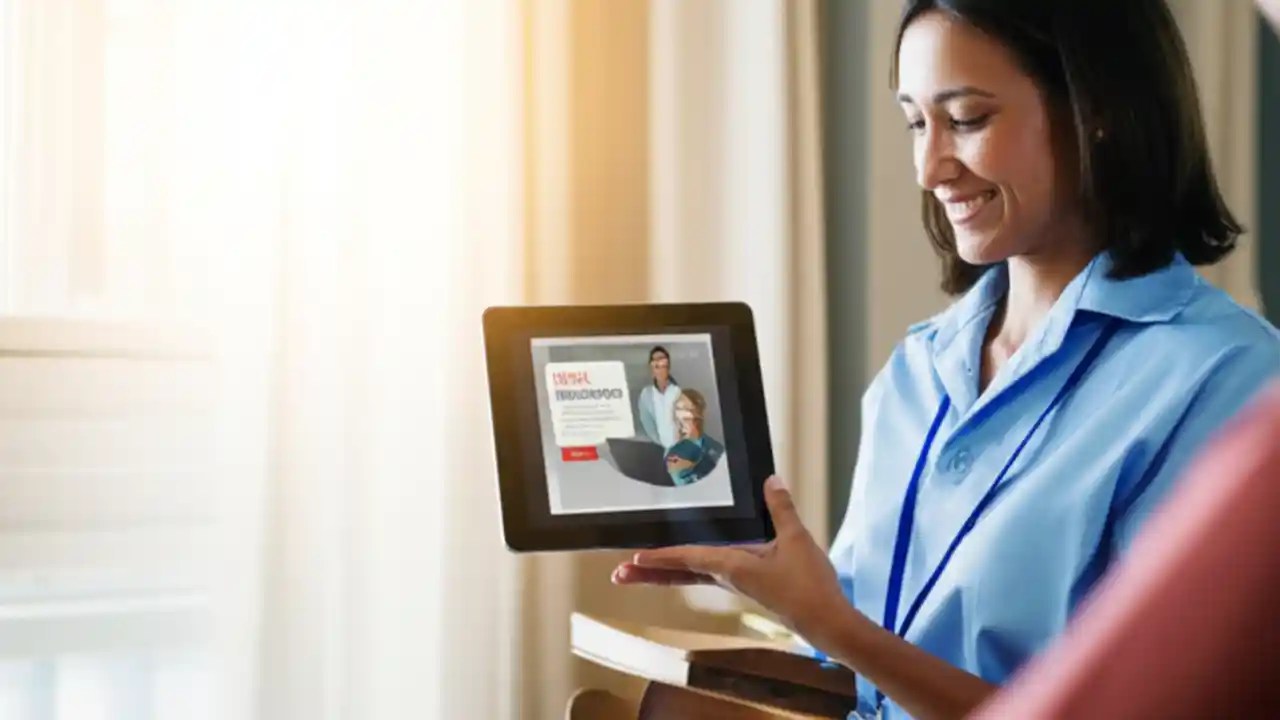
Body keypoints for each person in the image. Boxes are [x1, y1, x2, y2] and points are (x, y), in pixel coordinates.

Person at [613, 2, 1280, 718]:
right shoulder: (914, 373)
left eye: (966, 120)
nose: (931, 168)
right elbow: (864, 679)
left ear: (1097, 110)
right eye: (914, 123)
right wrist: (782, 601)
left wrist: (832, 625)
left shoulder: (1228, 380)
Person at [664, 389, 726, 487]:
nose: (680, 412)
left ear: (698, 414)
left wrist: (691, 466)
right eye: (678, 408)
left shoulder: (716, 449)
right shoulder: (672, 451)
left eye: (685, 408)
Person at [636, 346, 682, 448]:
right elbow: (647, 422)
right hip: (659, 448)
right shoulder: (646, 394)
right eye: (656, 365)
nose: (660, 369)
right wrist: (658, 443)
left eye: (663, 364)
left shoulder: (678, 392)